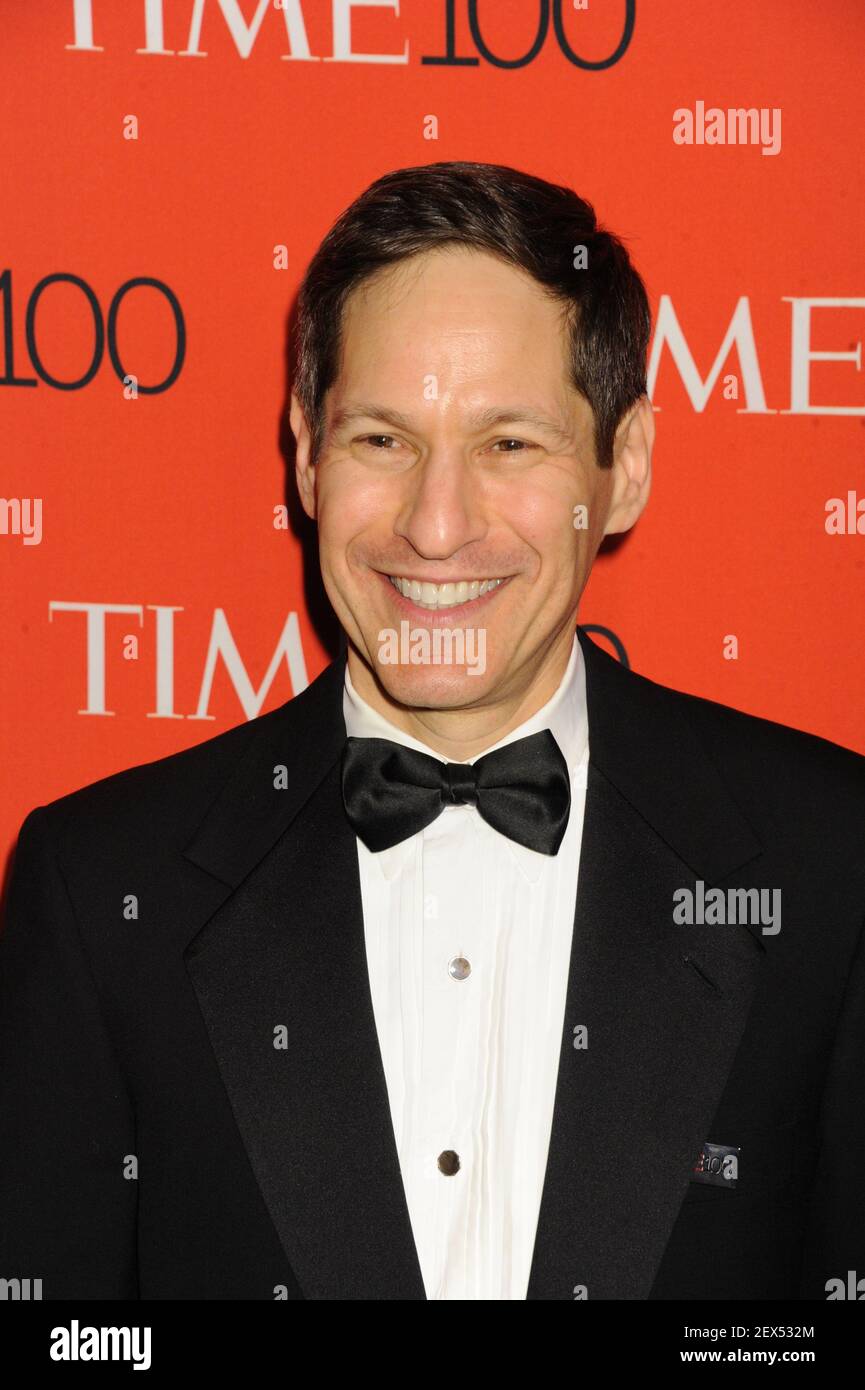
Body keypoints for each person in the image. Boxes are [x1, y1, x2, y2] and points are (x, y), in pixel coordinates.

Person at [1, 161, 863, 1301]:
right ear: (306, 453)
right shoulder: (101, 888)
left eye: (508, 443)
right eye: (381, 441)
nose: (436, 525)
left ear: (625, 468)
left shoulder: (830, 862)